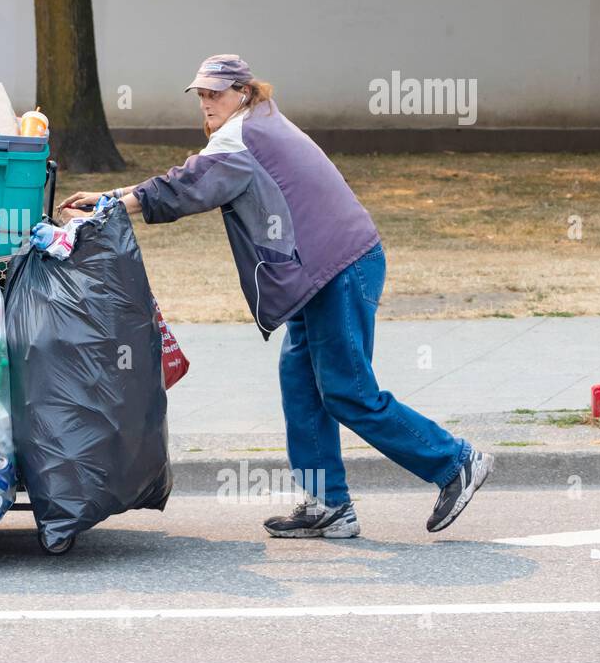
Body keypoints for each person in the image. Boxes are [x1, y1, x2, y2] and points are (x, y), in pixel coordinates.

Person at [58, 54, 494, 538]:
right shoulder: (256, 123)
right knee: (300, 379)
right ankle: (329, 504)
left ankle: (455, 462)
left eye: (215, 94)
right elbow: (191, 175)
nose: (206, 104)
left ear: (242, 92)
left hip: (339, 268)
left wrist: (110, 209)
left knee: (349, 392)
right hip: (324, 269)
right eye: (201, 96)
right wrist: (112, 197)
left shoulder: (243, 135)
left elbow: (189, 186)